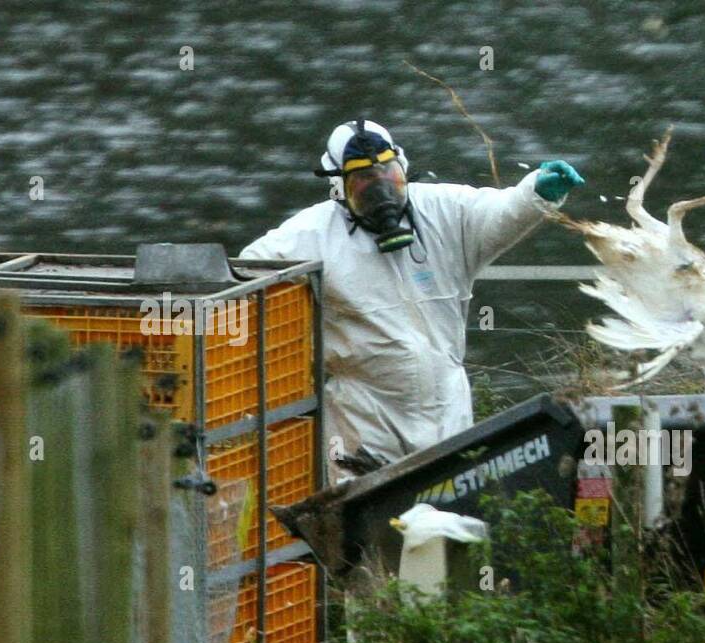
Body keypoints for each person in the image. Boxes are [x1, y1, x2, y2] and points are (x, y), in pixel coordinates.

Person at [239, 118, 584, 478]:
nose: (381, 190)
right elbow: (246, 273)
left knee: (451, 512)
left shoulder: (443, 211)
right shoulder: (312, 236)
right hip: (365, 412)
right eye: (363, 181)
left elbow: (498, 212)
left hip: (447, 403)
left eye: (388, 174)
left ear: (402, 167)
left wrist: (536, 194)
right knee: (368, 517)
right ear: (338, 188)